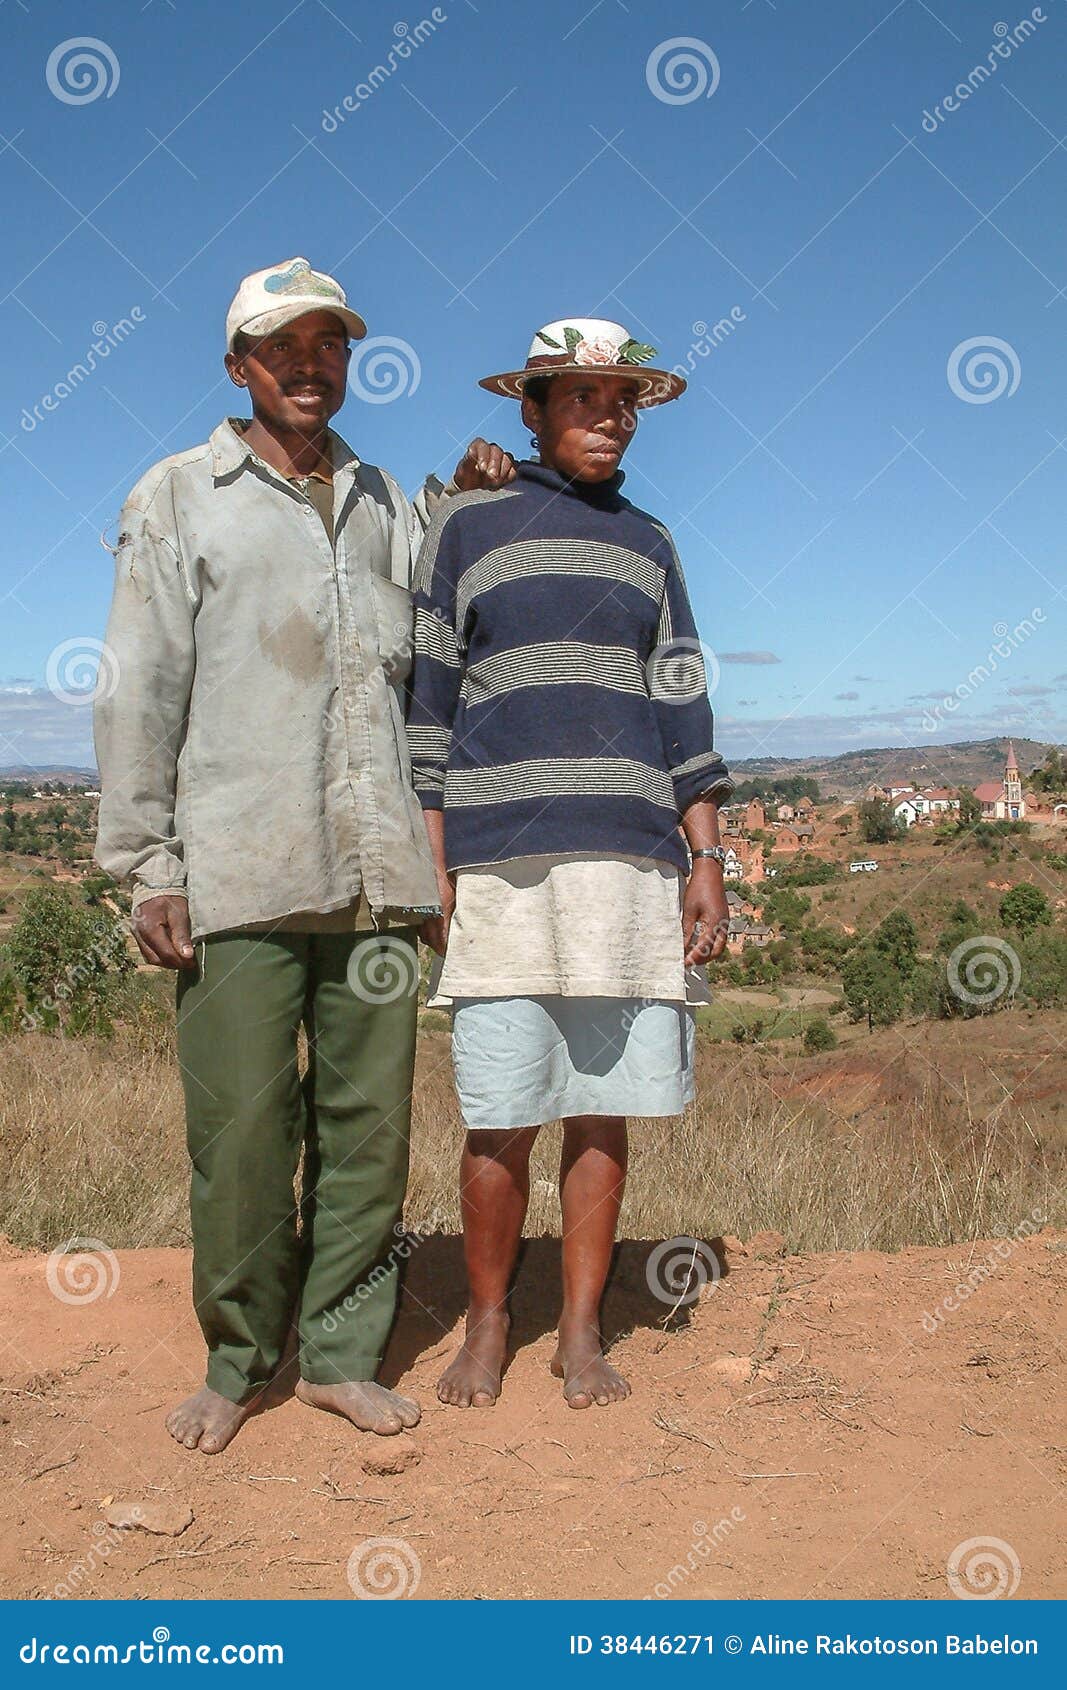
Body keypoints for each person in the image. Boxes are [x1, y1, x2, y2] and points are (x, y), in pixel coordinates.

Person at [94, 258, 514, 1454]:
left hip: (379, 879)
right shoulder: (180, 495)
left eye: (327, 346)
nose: (307, 365)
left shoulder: (386, 499)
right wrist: (146, 864)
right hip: (235, 873)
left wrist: (474, 489)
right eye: (282, 346)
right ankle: (236, 1361)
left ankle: (336, 1354)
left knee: (369, 1130)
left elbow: (448, 606)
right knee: (238, 1134)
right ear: (238, 365)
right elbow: (139, 690)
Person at [407, 317, 733, 1410]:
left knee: (602, 1107)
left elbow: (681, 697)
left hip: (630, 864)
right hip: (500, 864)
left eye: (622, 398)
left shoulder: (649, 542)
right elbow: (428, 703)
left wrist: (705, 858)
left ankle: (581, 1331)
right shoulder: (467, 527)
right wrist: (434, 860)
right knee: (499, 1109)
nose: (607, 415)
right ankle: (491, 1319)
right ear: (533, 410)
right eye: (583, 397)